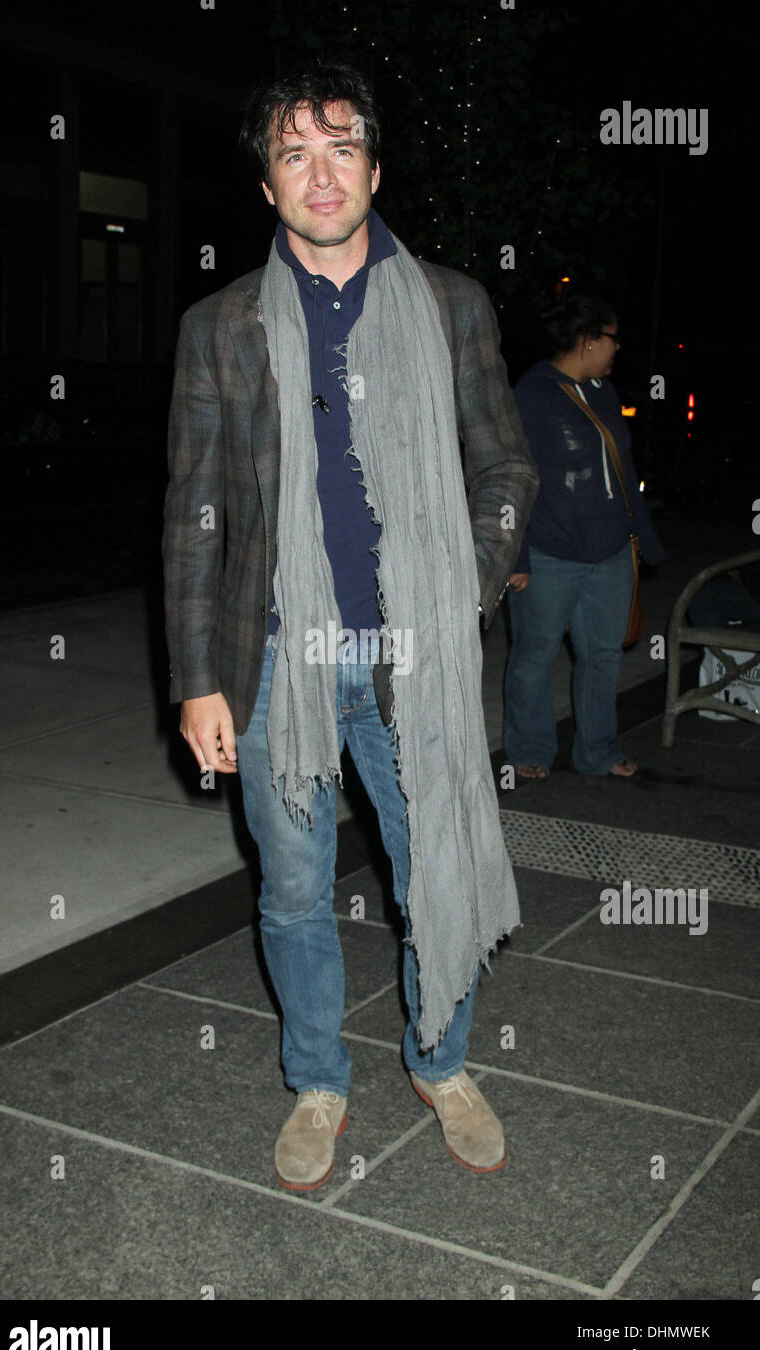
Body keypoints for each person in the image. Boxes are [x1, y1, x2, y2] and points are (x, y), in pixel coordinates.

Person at [162, 62, 538, 1191]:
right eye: (293, 153)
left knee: (439, 861)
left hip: (411, 651)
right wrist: (197, 679)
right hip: (278, 653)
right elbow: (194, 513)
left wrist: (459, 584)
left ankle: (443, 1058)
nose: (319, 174)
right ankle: (320, 1078)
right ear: (270, 186)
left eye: (340, 149)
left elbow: (504, 464)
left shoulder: (455, 303)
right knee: (292, 885)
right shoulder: (219, 327)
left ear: (372, 169)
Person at [503, 291, 666, 780]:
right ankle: (530, 750)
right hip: (551, 553)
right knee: (536, 656)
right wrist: (516, 556)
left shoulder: (605, 393)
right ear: (588, 339)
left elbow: (624, 469)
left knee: (603, 656)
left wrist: (647, 541)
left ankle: (596, 751)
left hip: (611, 552)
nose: (619, 349)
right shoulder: (532, 394)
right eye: (613, 338)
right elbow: (512, 477)